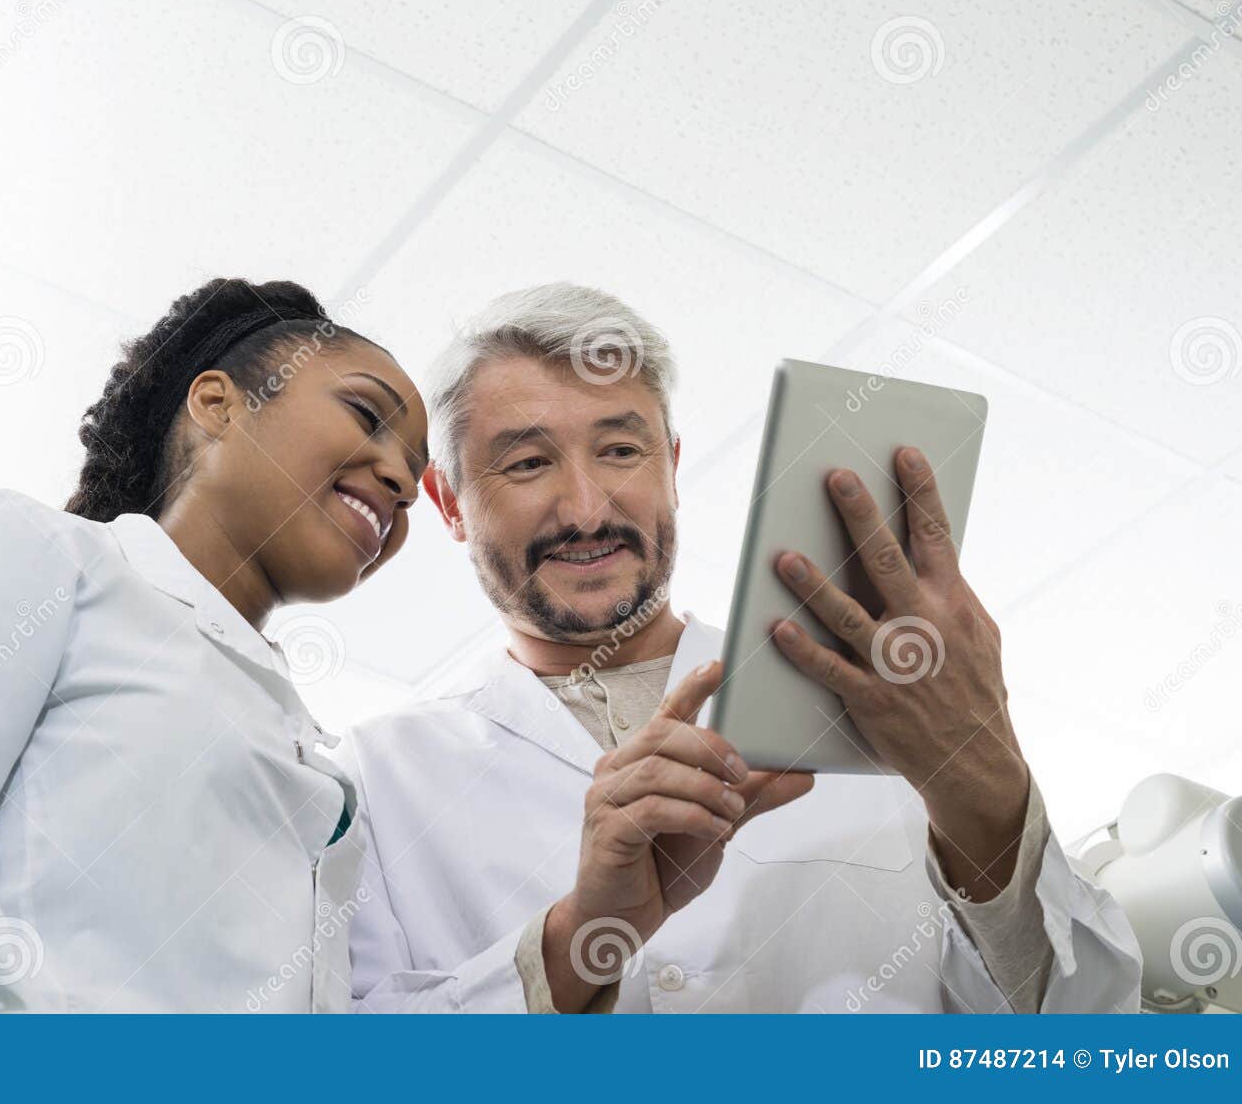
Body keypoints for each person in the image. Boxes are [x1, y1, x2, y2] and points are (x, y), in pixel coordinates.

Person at [336, 283, 1143, 1013]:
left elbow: (1088, 1031)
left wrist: (988, 784)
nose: (586, 508)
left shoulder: (881, 709)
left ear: (673, 468)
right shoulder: (372, 779)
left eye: (621, 451)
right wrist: (582, 938)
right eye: (527, 462)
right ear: (448, 501)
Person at [0, 278, 428, 1012]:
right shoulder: (32, 552)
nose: (399, 481)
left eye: (417, 476)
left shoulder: (313, 766)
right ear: (215, 405)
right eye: (365, 415)